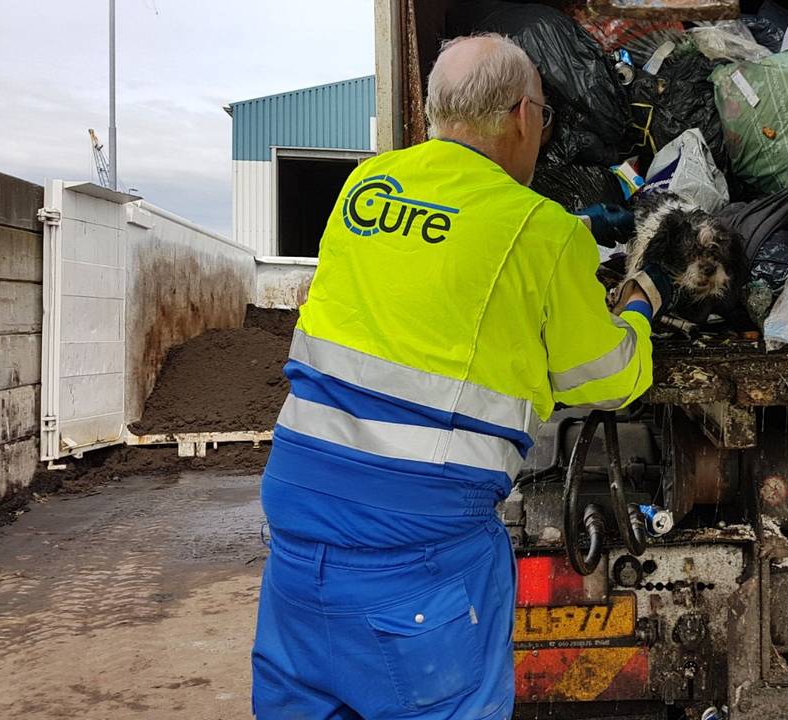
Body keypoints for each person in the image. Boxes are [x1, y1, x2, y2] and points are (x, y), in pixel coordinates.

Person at [250, 34, 666, 720]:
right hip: (417, 555)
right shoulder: (542, 228)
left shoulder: (366, 186)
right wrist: (641, 309)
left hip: (298, 532)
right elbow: (604, 380)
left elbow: (430, 284)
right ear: (524, 116)